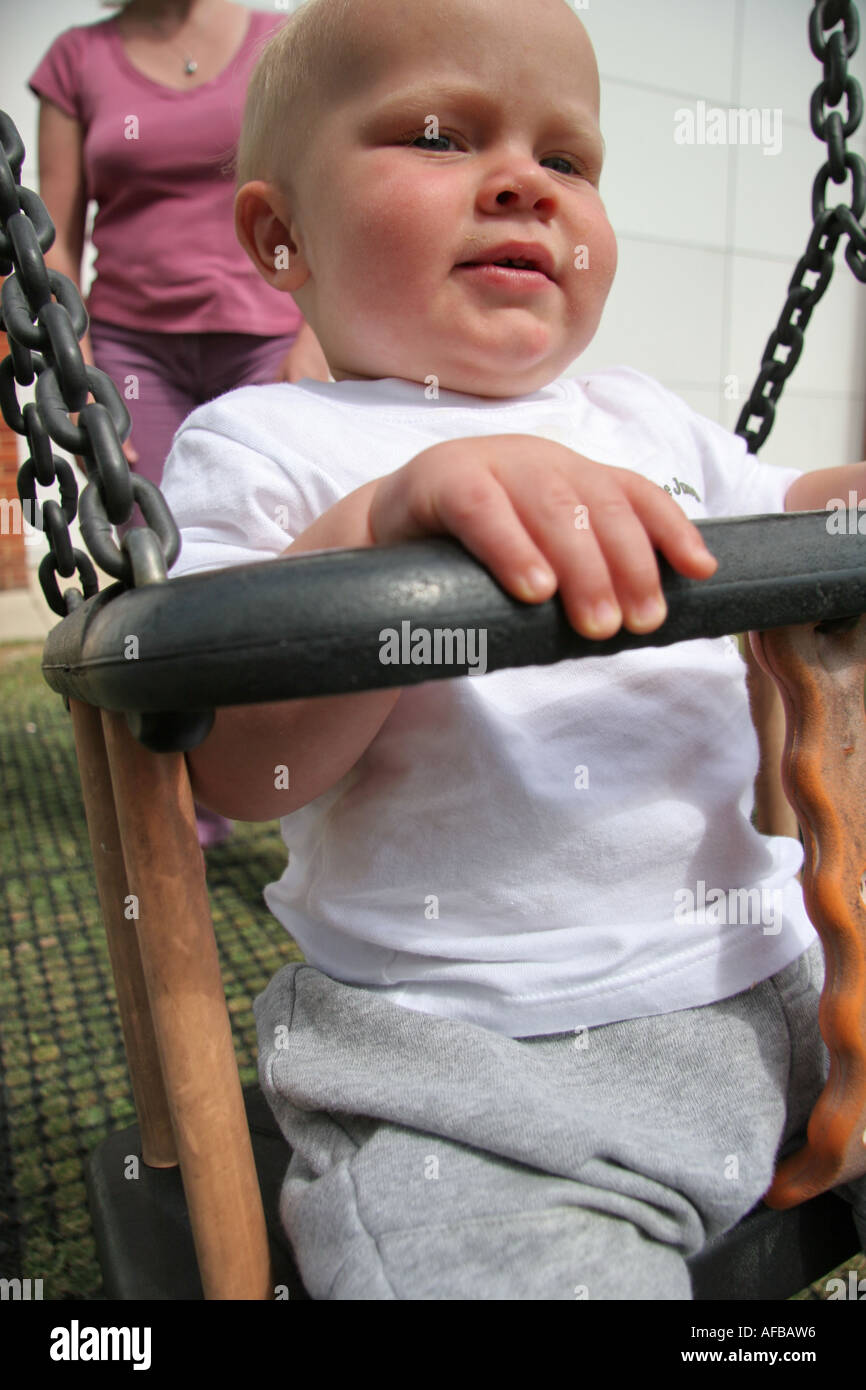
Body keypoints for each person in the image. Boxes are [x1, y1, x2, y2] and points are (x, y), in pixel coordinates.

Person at [158, 0, 866, 1298]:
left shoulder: (641, 416)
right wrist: (382, 523)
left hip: (792, 982)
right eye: (439, 136)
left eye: (569, 161)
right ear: (280, 233)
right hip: (489, 1084)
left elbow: (788, 520)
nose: (521, 186)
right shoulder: (266, 446)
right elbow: (240, 772)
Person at [27, 0, 330, 849]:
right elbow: (55, 226)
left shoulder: (280, 40)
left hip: (266, 335)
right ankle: (189, 802)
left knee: (270, 550)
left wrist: (313, 329)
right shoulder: (77, 60)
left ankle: (292, 764)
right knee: (154, 562)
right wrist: (73, 360)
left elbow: (322, 187)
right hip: (128, 346)